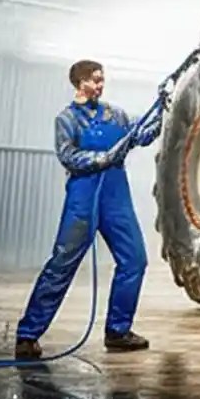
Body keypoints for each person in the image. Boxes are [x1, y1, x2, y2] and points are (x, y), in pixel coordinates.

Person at [14, 59, 163, 359]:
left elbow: (142, 134)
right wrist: (102, 158)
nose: (100, 84)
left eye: (102, 79)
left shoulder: (115, 115)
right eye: (95, 79)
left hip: (116, 197)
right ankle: (27, 335)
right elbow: (68, 156)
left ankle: (118, 331)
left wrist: (161, 108)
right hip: (83, 199)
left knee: (135, 260)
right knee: (62, 265)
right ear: (79, 82)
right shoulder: (66, 119)